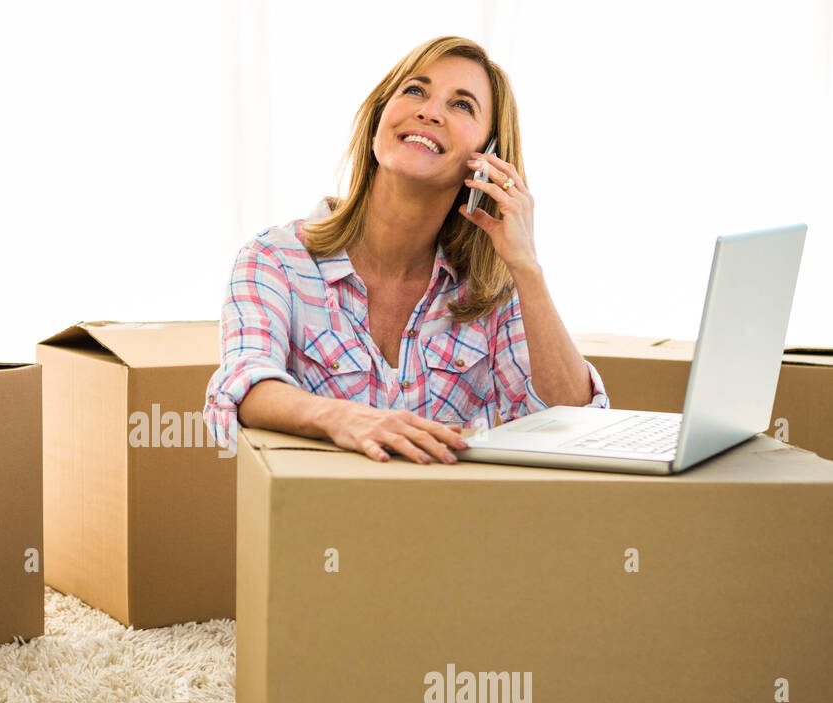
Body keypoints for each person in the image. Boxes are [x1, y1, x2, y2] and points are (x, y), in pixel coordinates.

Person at [202, 35, 609, 465]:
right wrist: (346, 419)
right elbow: (244, 386)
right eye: (415, 90)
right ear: (380, 118)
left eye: (462, 105)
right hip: (318, 523)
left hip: (457, 524)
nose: (429, 111)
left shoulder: (493, 293)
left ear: (487, 155)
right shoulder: (276, 259)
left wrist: (527, 267)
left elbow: (573, 426)